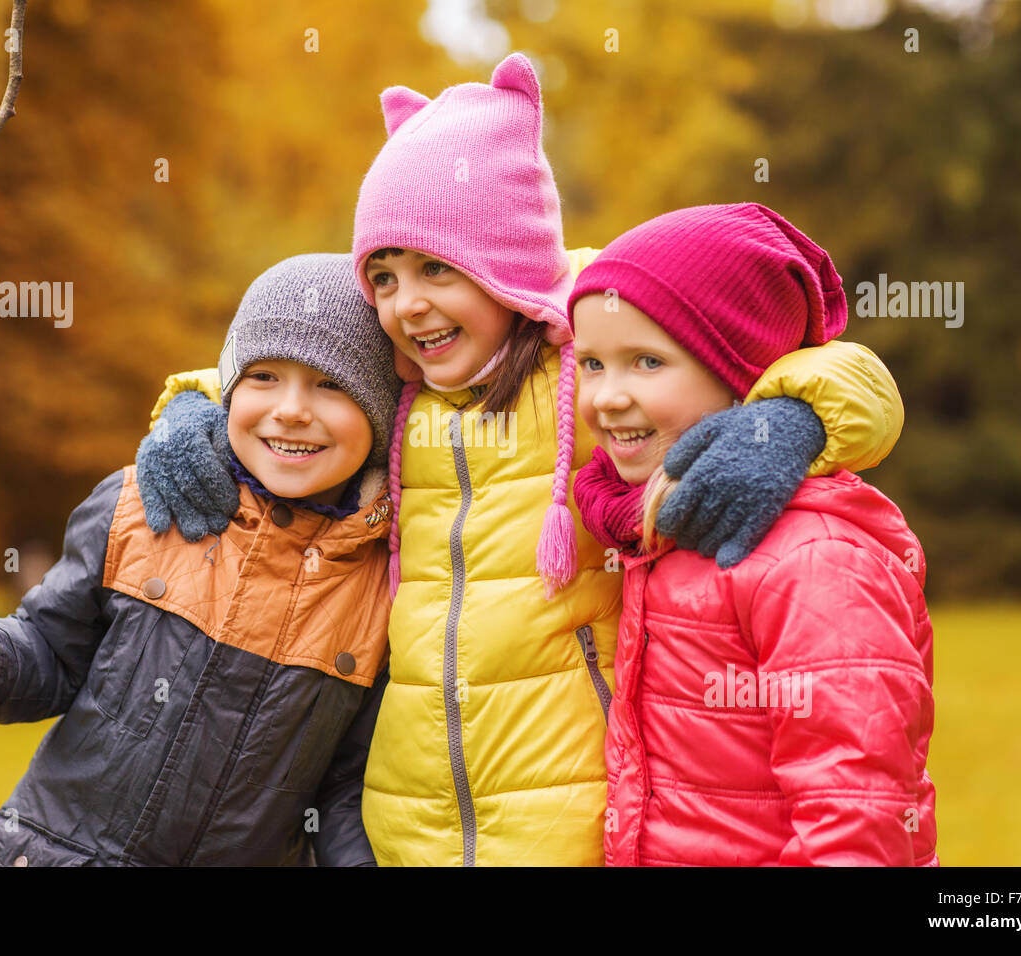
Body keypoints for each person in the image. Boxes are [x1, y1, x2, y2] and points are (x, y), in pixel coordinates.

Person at [136, 54, 905, 865]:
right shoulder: (401, 378)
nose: (408, 303)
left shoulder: (591, 345)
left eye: (437, 268)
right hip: (410, 824)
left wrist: (784, 421)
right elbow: (276, 365)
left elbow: (848, 373)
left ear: (507, 258)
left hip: (569, 815)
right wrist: (192, 409)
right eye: (386, 277)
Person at [0, 254, 401, 866]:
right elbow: (53, 654)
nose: (292, 408)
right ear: (228, 386)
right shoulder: (139, 505)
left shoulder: (383, 586)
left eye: (332, 384)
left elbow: (345, 789)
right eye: (265, 376)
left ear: (378, 414)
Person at [570, 203, 937, 865]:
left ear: (743, 371)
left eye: (647, 362)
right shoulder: (658, 530)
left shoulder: (815, 559)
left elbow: (858, 811)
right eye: (592, 364)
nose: (605, 396)